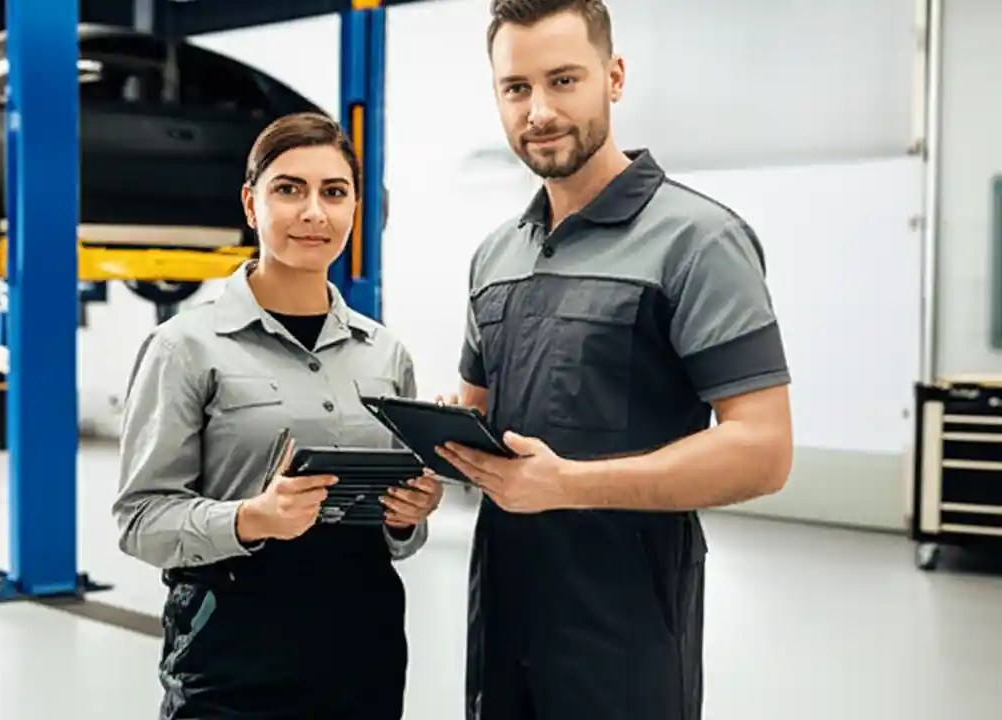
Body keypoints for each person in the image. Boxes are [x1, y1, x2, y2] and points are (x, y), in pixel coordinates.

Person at [433, 2, 795, 719]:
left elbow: (764, 449)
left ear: (614, 77)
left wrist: (567, 485)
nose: (539, 110)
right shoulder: (496, 255)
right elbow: (475, 414)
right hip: (502, 621)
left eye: (564, 80)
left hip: (625, 632)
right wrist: (432, 441)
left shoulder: (698, 241)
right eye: (516, 88)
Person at [112, 111, 443, 720]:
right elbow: (140, 519)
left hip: (362, 652)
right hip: (231, 654)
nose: (313, 212)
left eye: (334, 192)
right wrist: (250, 518)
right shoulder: (185, 347)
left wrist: (407, 517)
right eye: (288, 189)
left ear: (354, 209)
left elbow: (400, 537)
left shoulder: (385, 354)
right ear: (250, 203)